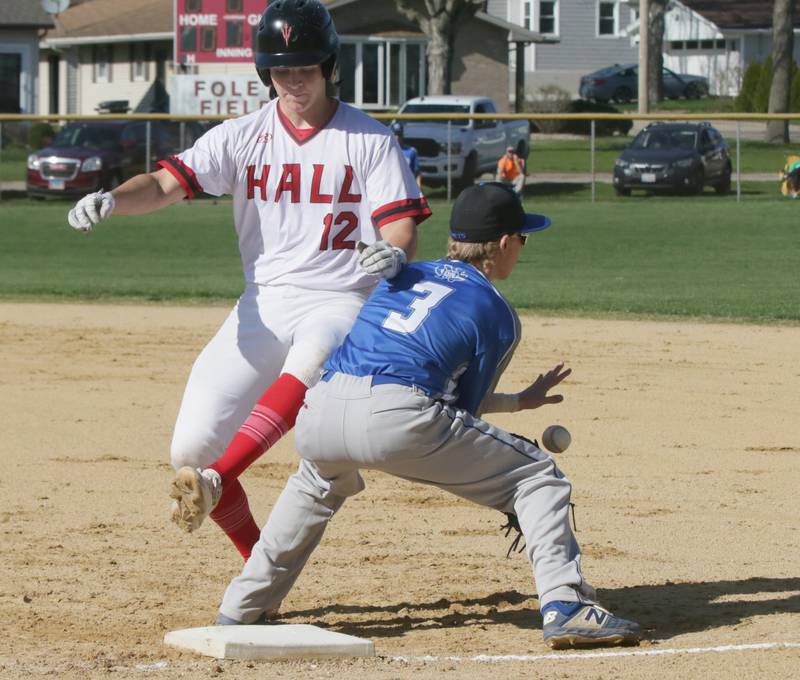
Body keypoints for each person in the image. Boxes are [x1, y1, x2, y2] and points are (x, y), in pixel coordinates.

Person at [66, 0, 431, 561]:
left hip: (342, 297)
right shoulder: (241, 135)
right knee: (189, 448)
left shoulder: (369, 139)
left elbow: (400, 226)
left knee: (309, 360)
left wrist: (393, 253)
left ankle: (220, 479)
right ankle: (259, 566)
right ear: (266, 72)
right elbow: (165, 185)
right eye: (282, 70)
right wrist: (111, 199)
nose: (294, 81)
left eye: (305, 68)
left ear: (328, 66)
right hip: (264, 302)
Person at [213, 182, 642, 650]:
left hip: (322, 407)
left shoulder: (403, 276)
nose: (521, 248)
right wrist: (508, 483)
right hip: (399, 419)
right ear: (502, 244)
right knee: (538, 476)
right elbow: (461, 410)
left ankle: (242, 606)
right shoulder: (497, 311)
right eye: (522, 238)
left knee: (316, 483)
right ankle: (567, 604)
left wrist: (519, 400)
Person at [390, 121, 422, 188]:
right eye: (394, 134)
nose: (397, 137)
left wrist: (418, 189)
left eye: (399, 134)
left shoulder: (411, 151)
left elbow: (417, 172)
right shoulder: (386, 151)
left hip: (408, 188)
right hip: (391, 188)